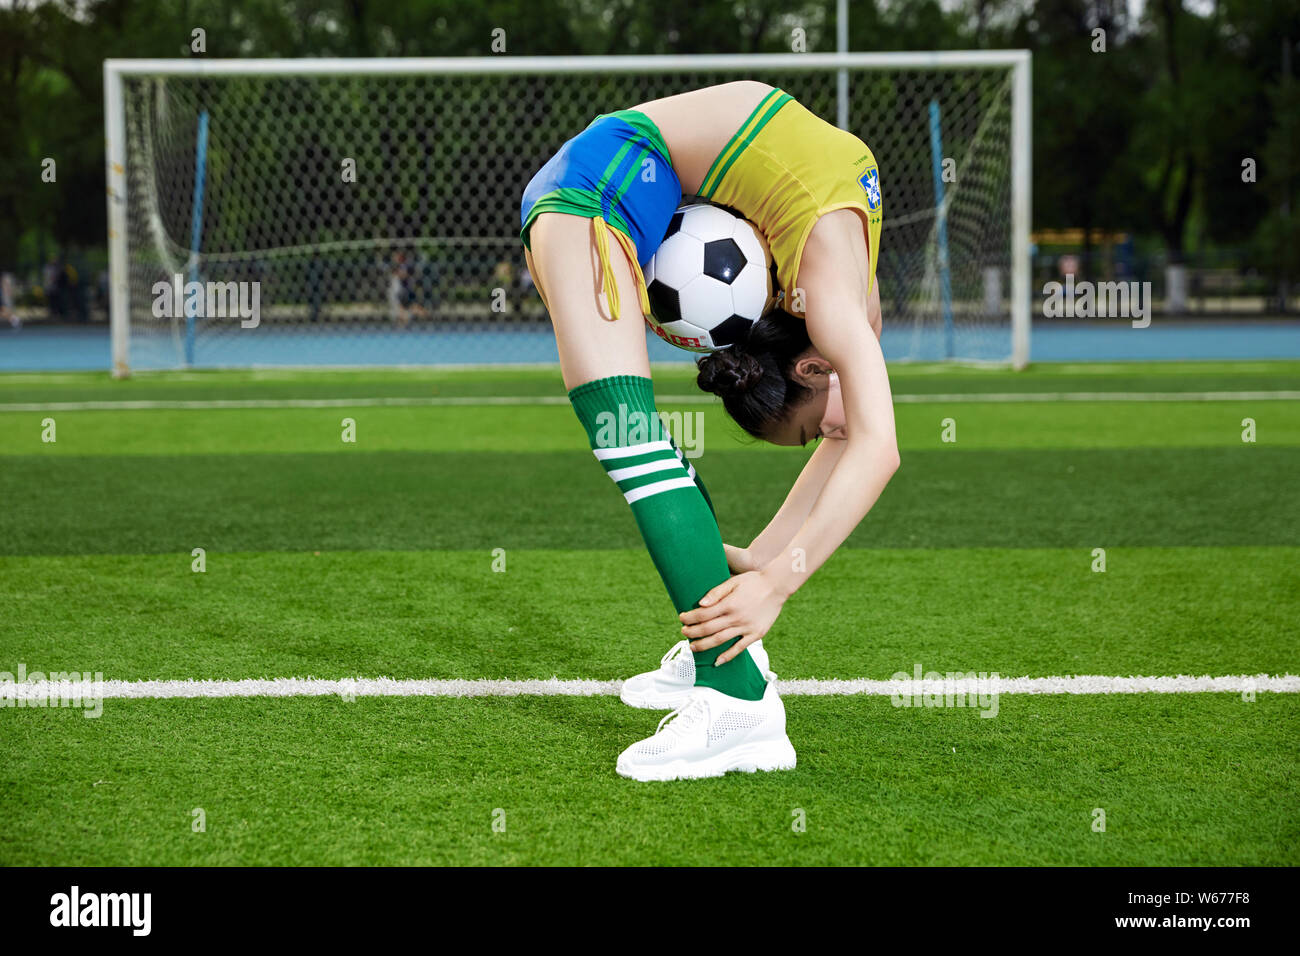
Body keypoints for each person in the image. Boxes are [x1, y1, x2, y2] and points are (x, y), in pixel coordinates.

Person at [519, 81, 899, 781]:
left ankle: (729, 683)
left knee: (629, 433)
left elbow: (860, 441)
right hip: (598, 183)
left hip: (608, 175)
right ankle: (727, 680)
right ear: (814, 366)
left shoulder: (848, 298)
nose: (826, 436)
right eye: (812, 432)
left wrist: (767, 568)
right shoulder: (838, 297)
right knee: (626, 429)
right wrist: (776, 581)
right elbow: (875, 444)